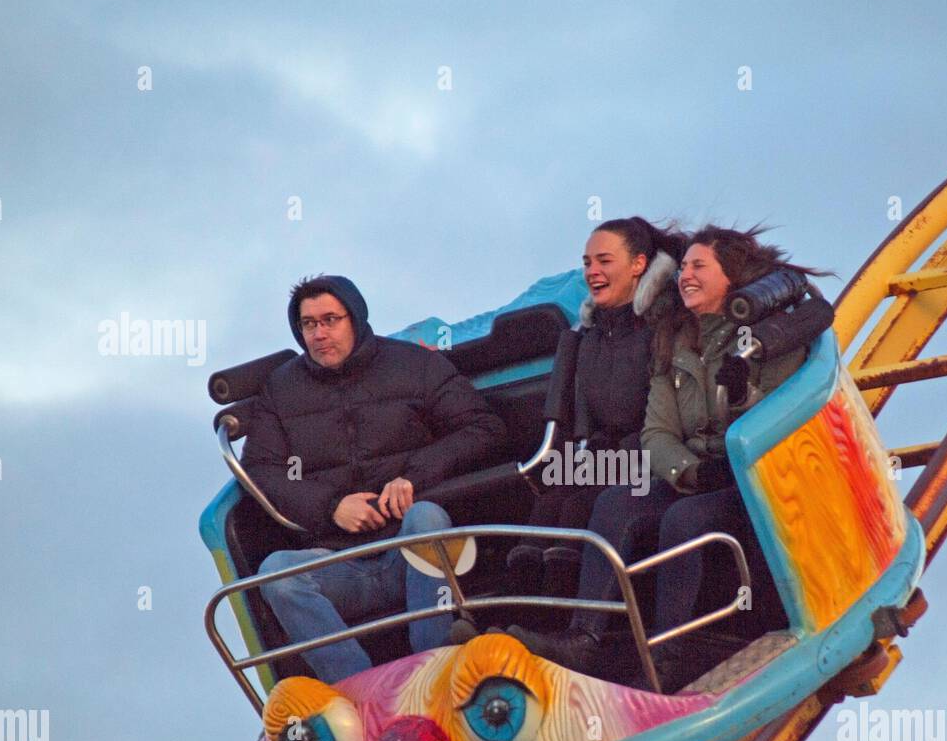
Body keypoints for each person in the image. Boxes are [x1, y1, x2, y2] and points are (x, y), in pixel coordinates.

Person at [508, 226, 833, 692]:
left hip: (752, 479)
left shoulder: (770, 337)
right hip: (698, 473)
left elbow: (780, 416)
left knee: (682, 519)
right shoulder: (678, 342)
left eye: (699, 266)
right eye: (682, 267)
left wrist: (741, 402)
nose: (686, 275)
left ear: (731, 275)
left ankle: (669, 654)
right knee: (617, 501)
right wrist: (690, 469)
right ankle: (585, 637)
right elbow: (657, 431)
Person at [242, 274, 507, 683]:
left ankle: (432, 676)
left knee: (427, 518)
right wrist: (332, 509)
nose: (319, 333)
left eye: (330, 319)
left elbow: (482, 428)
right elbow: (262, 472)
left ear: (356, 319)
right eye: (308, 324)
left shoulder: (413, 365)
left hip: (413, 548)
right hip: (341, 560)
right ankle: (363, 693)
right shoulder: (280, 390)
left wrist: (413, 479)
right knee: (277, 573)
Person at [506, 216, 686, 596]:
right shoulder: (587, 338)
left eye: (604, 260)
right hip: (607, 455)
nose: (592, 271)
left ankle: (560, 622)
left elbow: (667, 418)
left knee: (577, 506)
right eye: (587, 262)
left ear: (638, 265)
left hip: (653, 454)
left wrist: (606, 458)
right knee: (547, 502)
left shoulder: (665, 327)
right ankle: (510, 619)